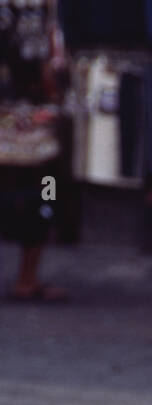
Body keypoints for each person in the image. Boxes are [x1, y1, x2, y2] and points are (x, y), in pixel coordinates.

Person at [0, 0, 66, 301]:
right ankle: (26, 277)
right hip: (12, 108)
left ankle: (27, 278)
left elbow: (51, 51)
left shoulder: (46, 5)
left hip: (35, 115)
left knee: (44, 193)